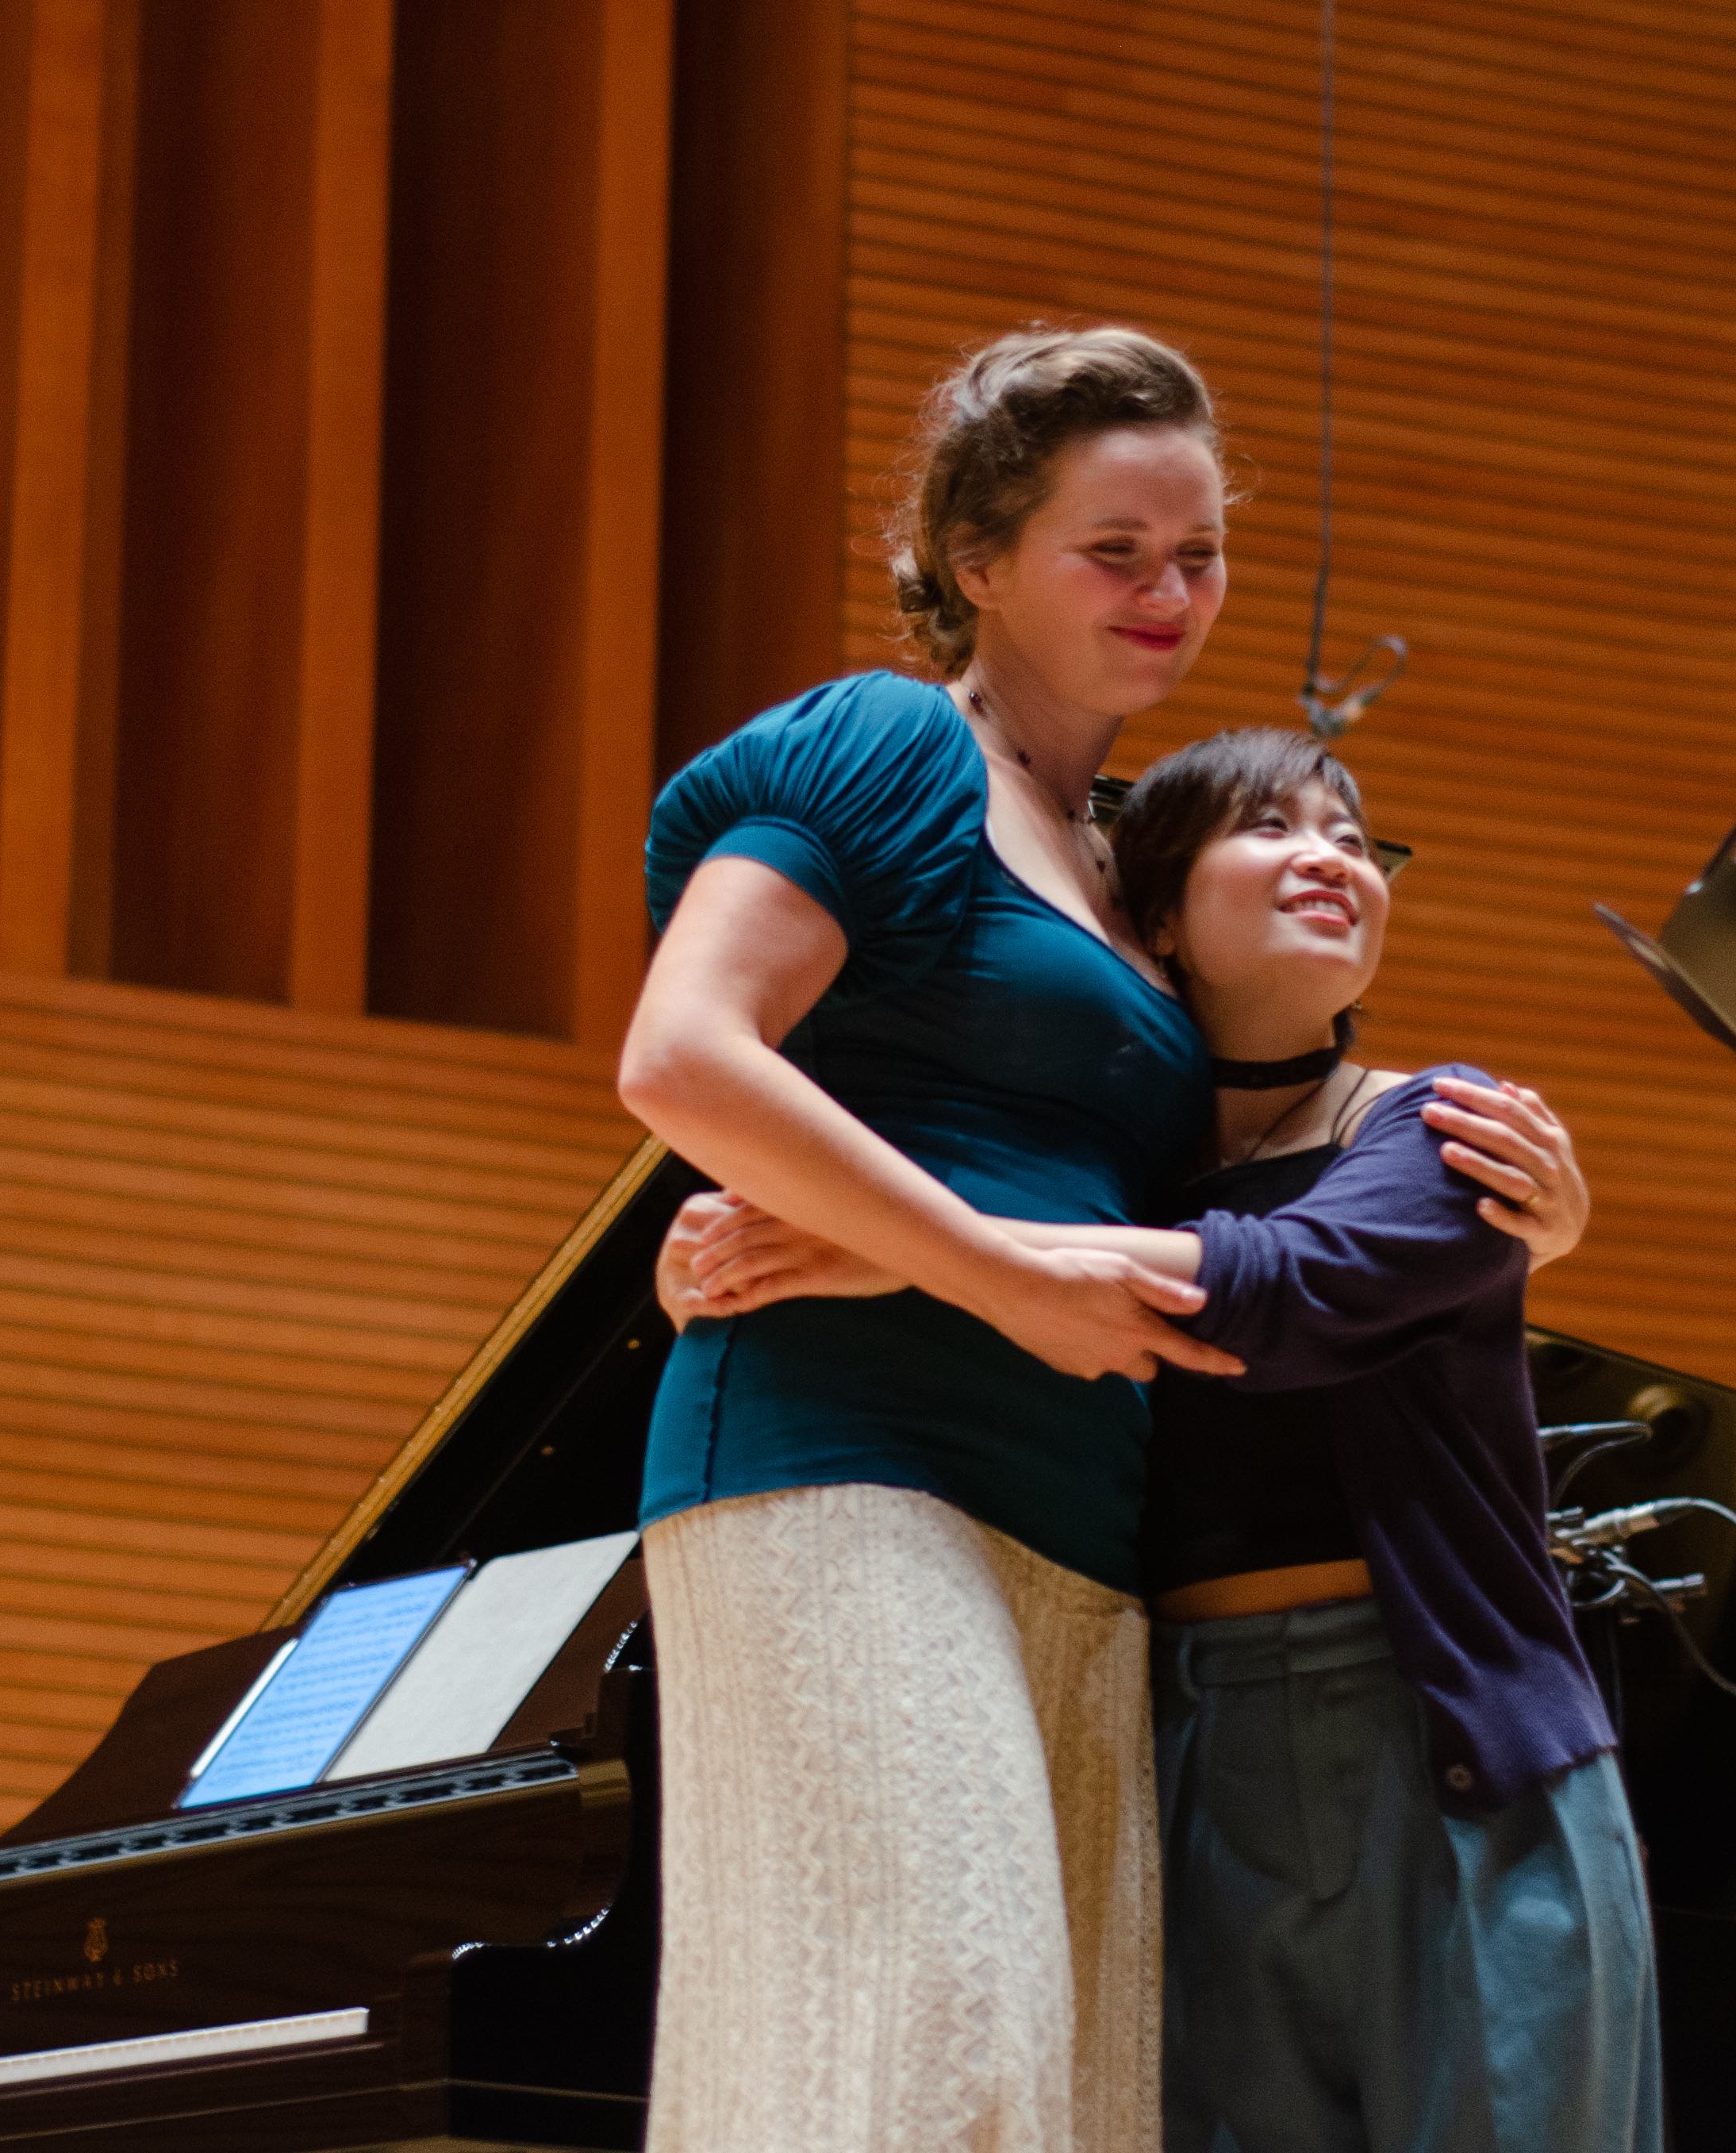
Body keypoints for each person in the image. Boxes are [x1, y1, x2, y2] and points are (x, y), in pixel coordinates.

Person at [666, 729, 1665, 2153]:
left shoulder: (1442, 1121)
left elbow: (1285, 1289)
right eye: (1269, 826)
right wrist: (729, 1254)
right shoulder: (1107, 1181)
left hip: (1449, 1743)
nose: (1328, 856)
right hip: (1194, 1753)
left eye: (1349, 836)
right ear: (1154, 918)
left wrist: (918, 1253)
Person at [616, 324, 1251, 2153]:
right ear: (977, 562)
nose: (1167, 592)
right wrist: (986, 1265)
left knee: (1062, 2107)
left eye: (1195, 554)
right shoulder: (892, 744)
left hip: (1083, 1522)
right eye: (1111, 549)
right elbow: (680, 1054)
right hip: (846, 1461)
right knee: (927, 2075)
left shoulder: (1128, 866)